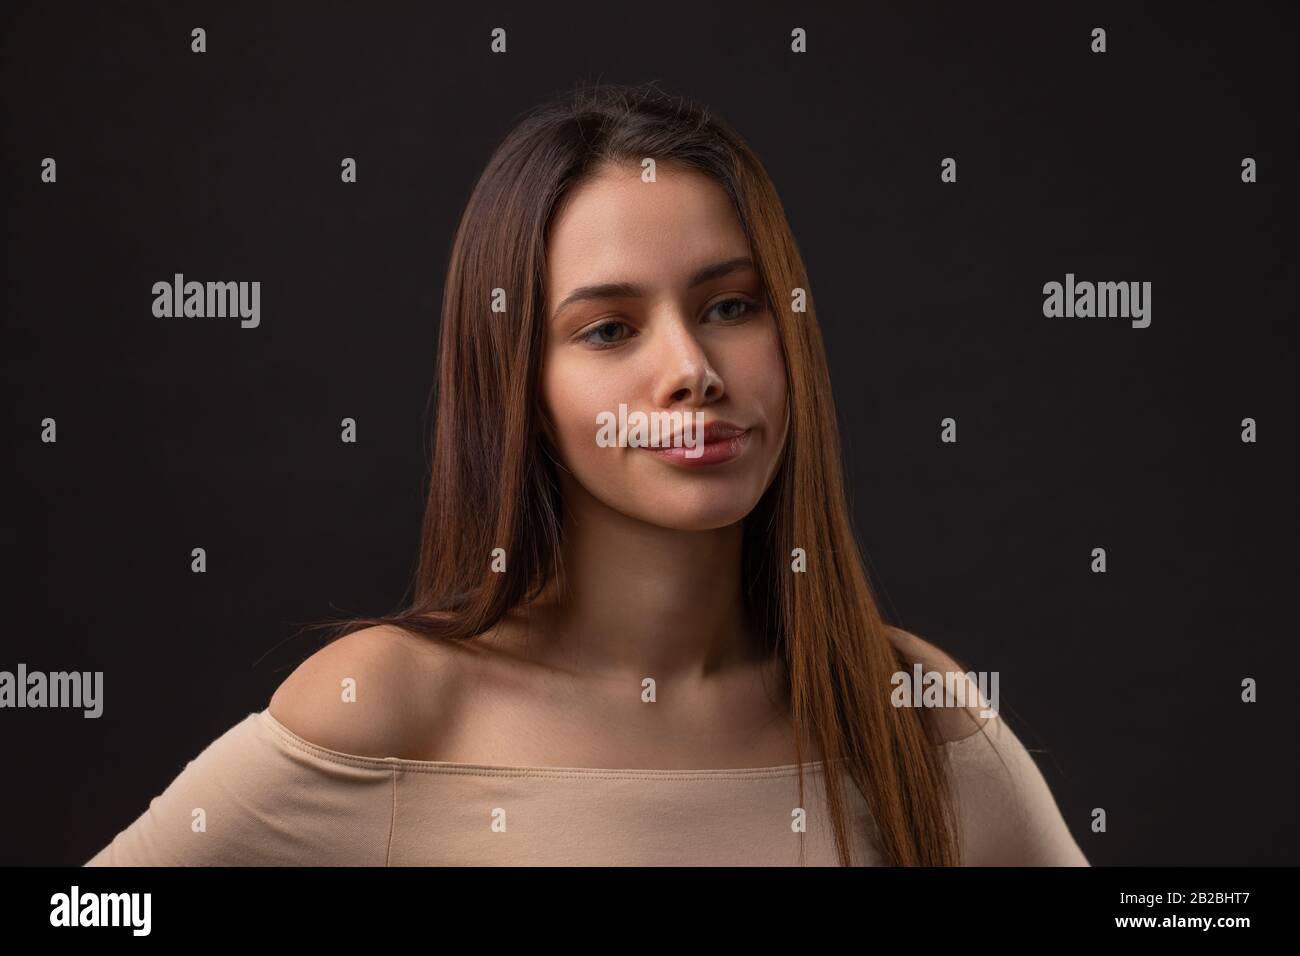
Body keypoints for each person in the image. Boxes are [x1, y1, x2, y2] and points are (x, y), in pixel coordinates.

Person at [86, 82, 1088, 867]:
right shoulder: (393, 704)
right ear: (518, 381)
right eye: (608, 328)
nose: (691, 369)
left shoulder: (909, 703)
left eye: (731, 306)